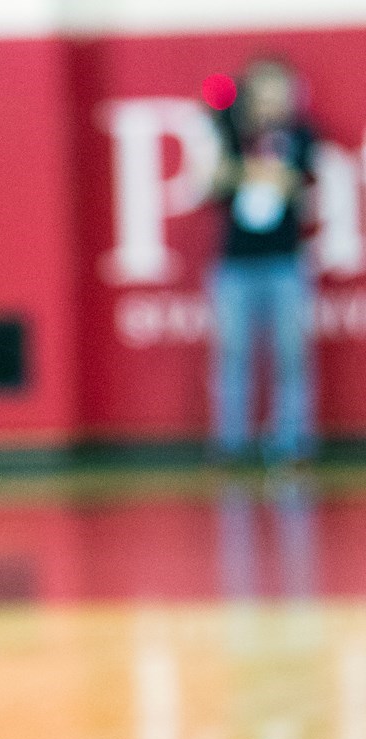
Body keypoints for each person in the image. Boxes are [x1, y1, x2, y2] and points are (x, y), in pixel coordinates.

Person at [207, 56, 319, 467]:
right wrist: (244, 164)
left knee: (292, 354)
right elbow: (217, 182)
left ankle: (292, 440)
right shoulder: (232, 134)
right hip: (236, 264)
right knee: (232, 354)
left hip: (285, 261)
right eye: (264, 93)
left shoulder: (302, 136)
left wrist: (249, 170)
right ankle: (231, 443)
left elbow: (292, 181)